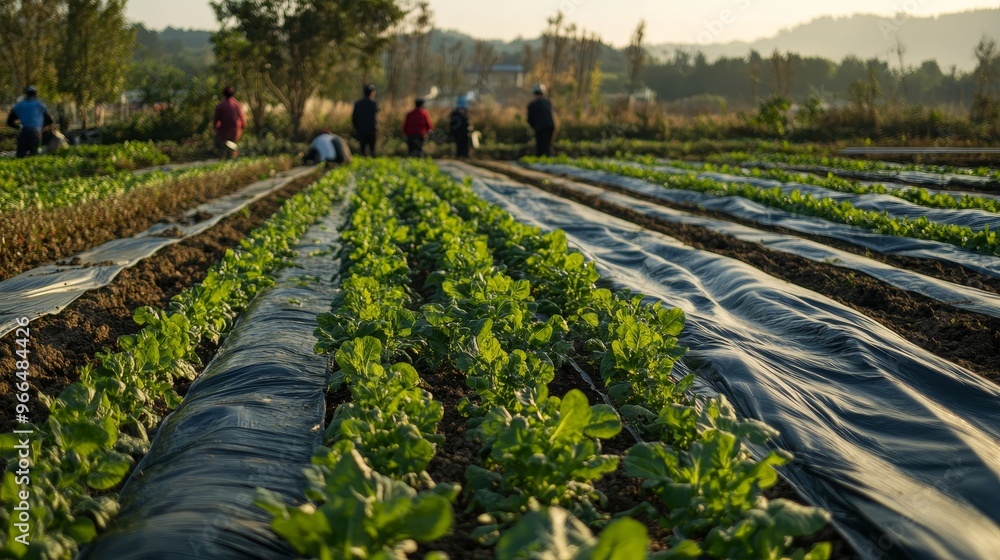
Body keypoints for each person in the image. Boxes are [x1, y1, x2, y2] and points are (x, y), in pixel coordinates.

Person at [7, 86, 54, 158]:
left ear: (26, 94)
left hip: (24, 132)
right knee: (33, 157)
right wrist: (41, 127)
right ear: (35, 95)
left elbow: (9, 122)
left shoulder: (18, 106)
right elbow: (50, 120)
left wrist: (18, 126)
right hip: (36, 133)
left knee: (20, 157)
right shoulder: (40, 105)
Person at [213, 86, 247, 158]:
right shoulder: (237, 105)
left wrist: (215, 128)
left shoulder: (220, 106)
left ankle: (227, 154)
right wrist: (243, 127)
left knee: (223, 142)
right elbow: (243, 118)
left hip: (224, 132)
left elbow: (216, 120)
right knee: (231, 143)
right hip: (236, 131)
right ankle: (232, 153)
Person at [527, 83, 556, 157]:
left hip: (540, 128)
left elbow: (530, 119)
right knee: (548, 145)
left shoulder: (532, 105)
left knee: (540, 147)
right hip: (550, 127)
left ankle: (542, 160)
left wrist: (534, 127)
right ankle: (549, 159)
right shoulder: (548, 102)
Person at [352, 84, 379, 157]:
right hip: (371, 130)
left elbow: (354, 118)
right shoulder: (374, 104)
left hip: (361, 131)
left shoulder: (358, 104)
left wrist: (356, 128)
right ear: (371, 93)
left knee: (362, 151)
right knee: (372, 151)